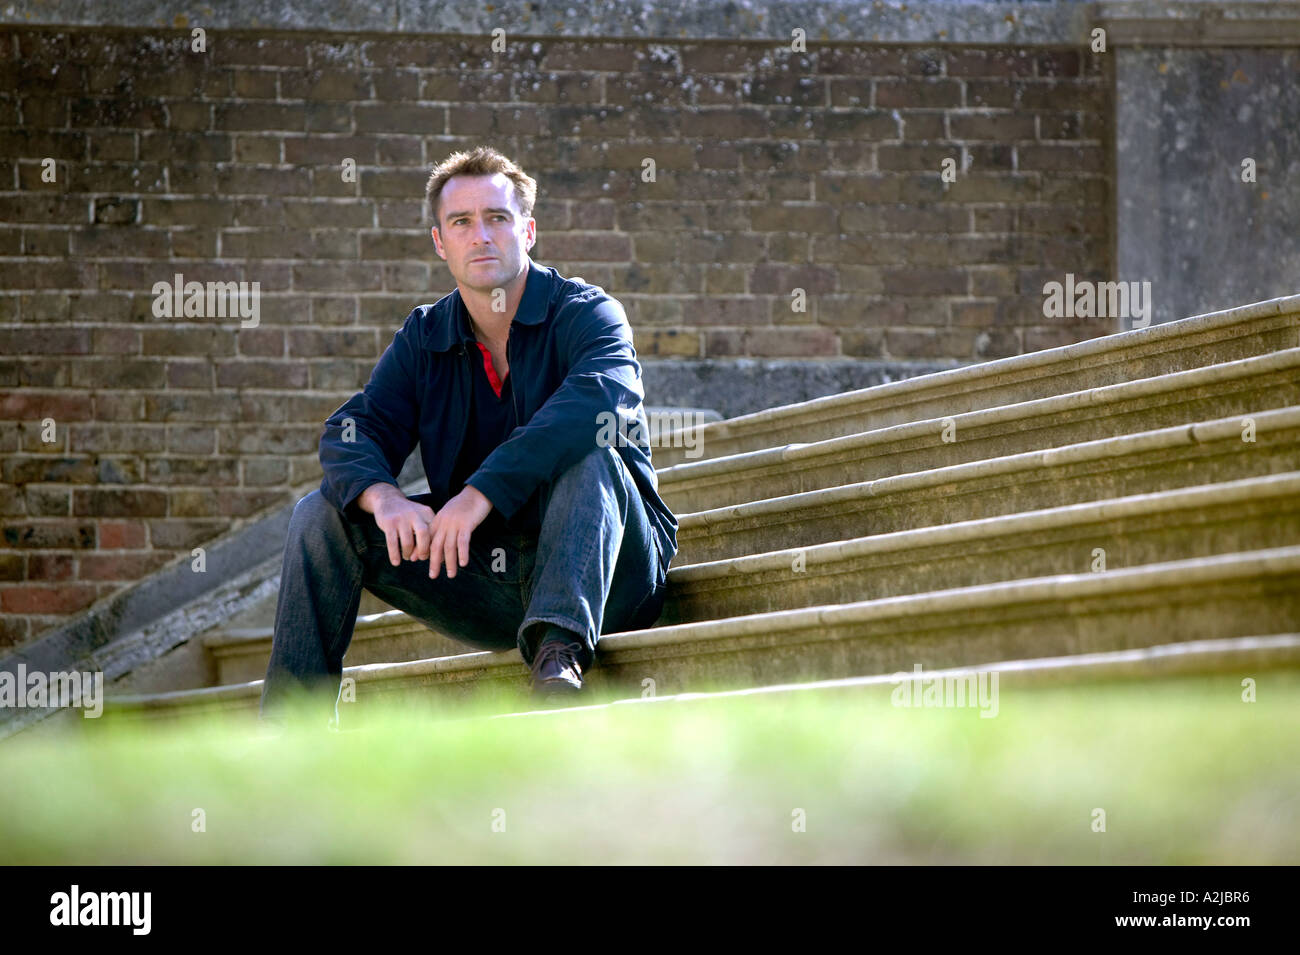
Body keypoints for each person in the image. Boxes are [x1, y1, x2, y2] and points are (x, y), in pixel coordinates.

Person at [259, 146, 678, 728]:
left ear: (527, 230)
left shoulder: (588, 314)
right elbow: (352, 430)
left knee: (594, 451)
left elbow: (597, 405)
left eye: (497, 218)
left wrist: (478, 493)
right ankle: (290, 724)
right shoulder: (426, 336)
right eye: (461, 222)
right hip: (493, 579)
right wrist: (384, 498)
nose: (480, 236)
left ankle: (559, 659)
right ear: (440, 242)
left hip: (613, 573)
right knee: (321, 514)